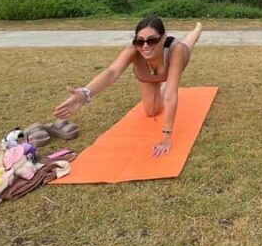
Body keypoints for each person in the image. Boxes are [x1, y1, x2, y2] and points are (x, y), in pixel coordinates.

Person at [54, 18, 203, 158]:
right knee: (151, 111)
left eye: (152, 40)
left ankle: (196, 31)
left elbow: (170, 97)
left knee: (186, 46)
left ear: (163, 38)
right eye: (140, 41)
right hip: (148, 77)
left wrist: (166, 137)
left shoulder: (175, 50)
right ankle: (163, 84)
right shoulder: (133, 50)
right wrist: (85, 93)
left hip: (174, 60)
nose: (145, 46)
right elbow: (112, 72)